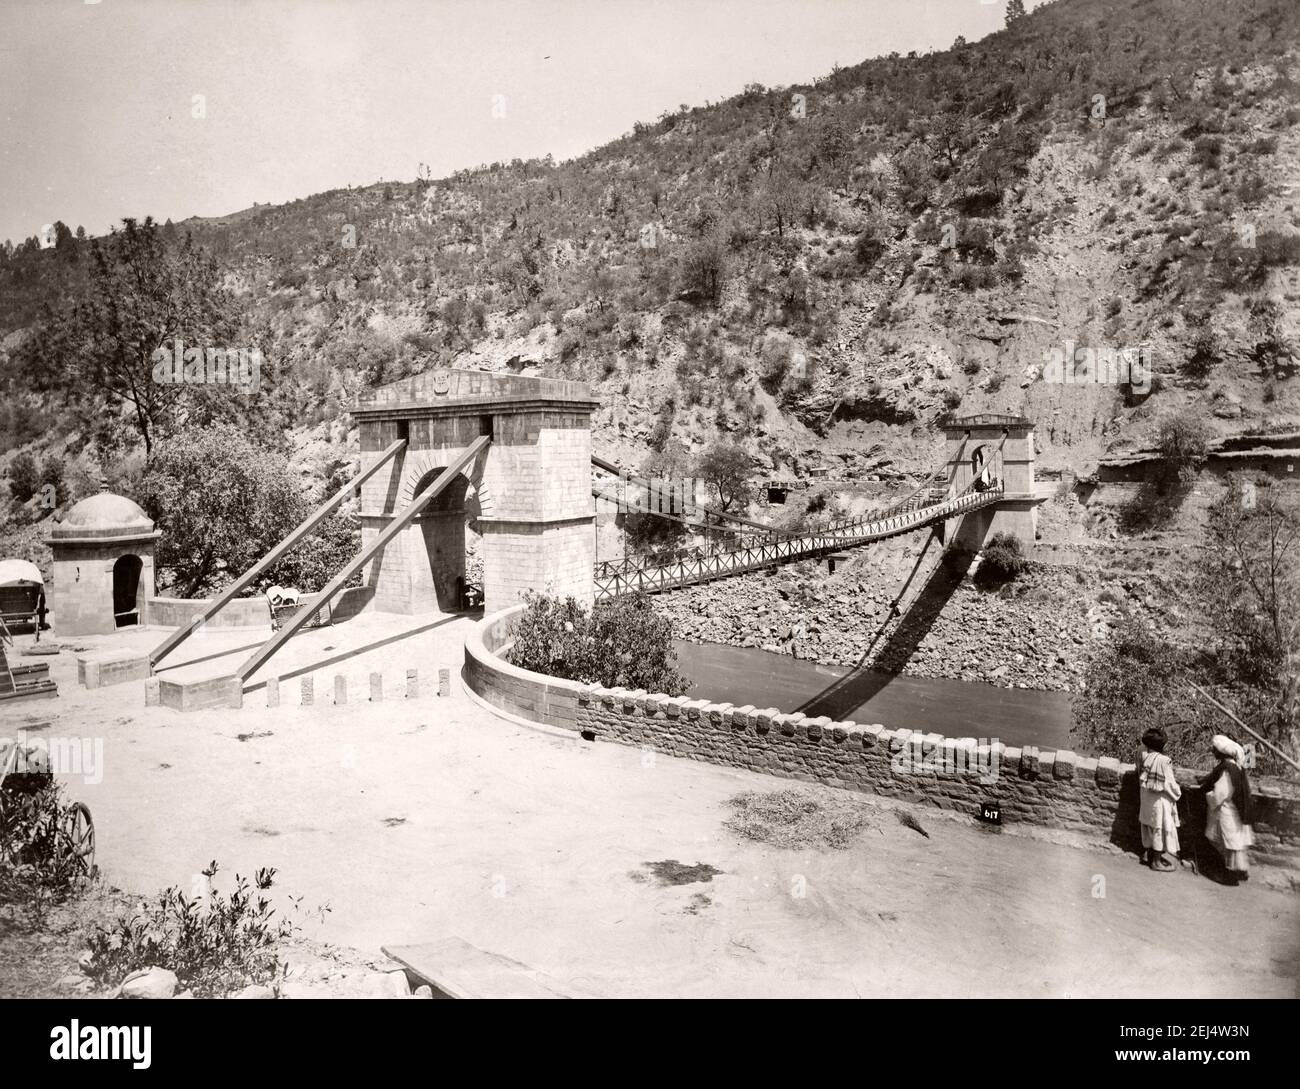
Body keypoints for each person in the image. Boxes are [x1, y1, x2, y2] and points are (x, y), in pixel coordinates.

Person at [1200, 735, 1255, 885]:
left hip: (1227, 810)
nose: (1213, 751)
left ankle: (1230, 876)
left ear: (1222, 752)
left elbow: (1221, 793)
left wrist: (1208, 795)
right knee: (1235, 842)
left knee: (1227, 842)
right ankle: (1240, 871)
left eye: (1215, 749)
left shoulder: (1227, 769)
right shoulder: (1235, 766)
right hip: (1236, 810)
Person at [1137, 726, 1181, 871]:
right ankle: (1156, 862)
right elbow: (1169, 784)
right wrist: (1178, 792)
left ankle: (1148, 855)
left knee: (1150, 826)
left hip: (1147, 797)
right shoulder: (1164, 761)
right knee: (1159, 829)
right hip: (1160, 801)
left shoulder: (1144, 756)